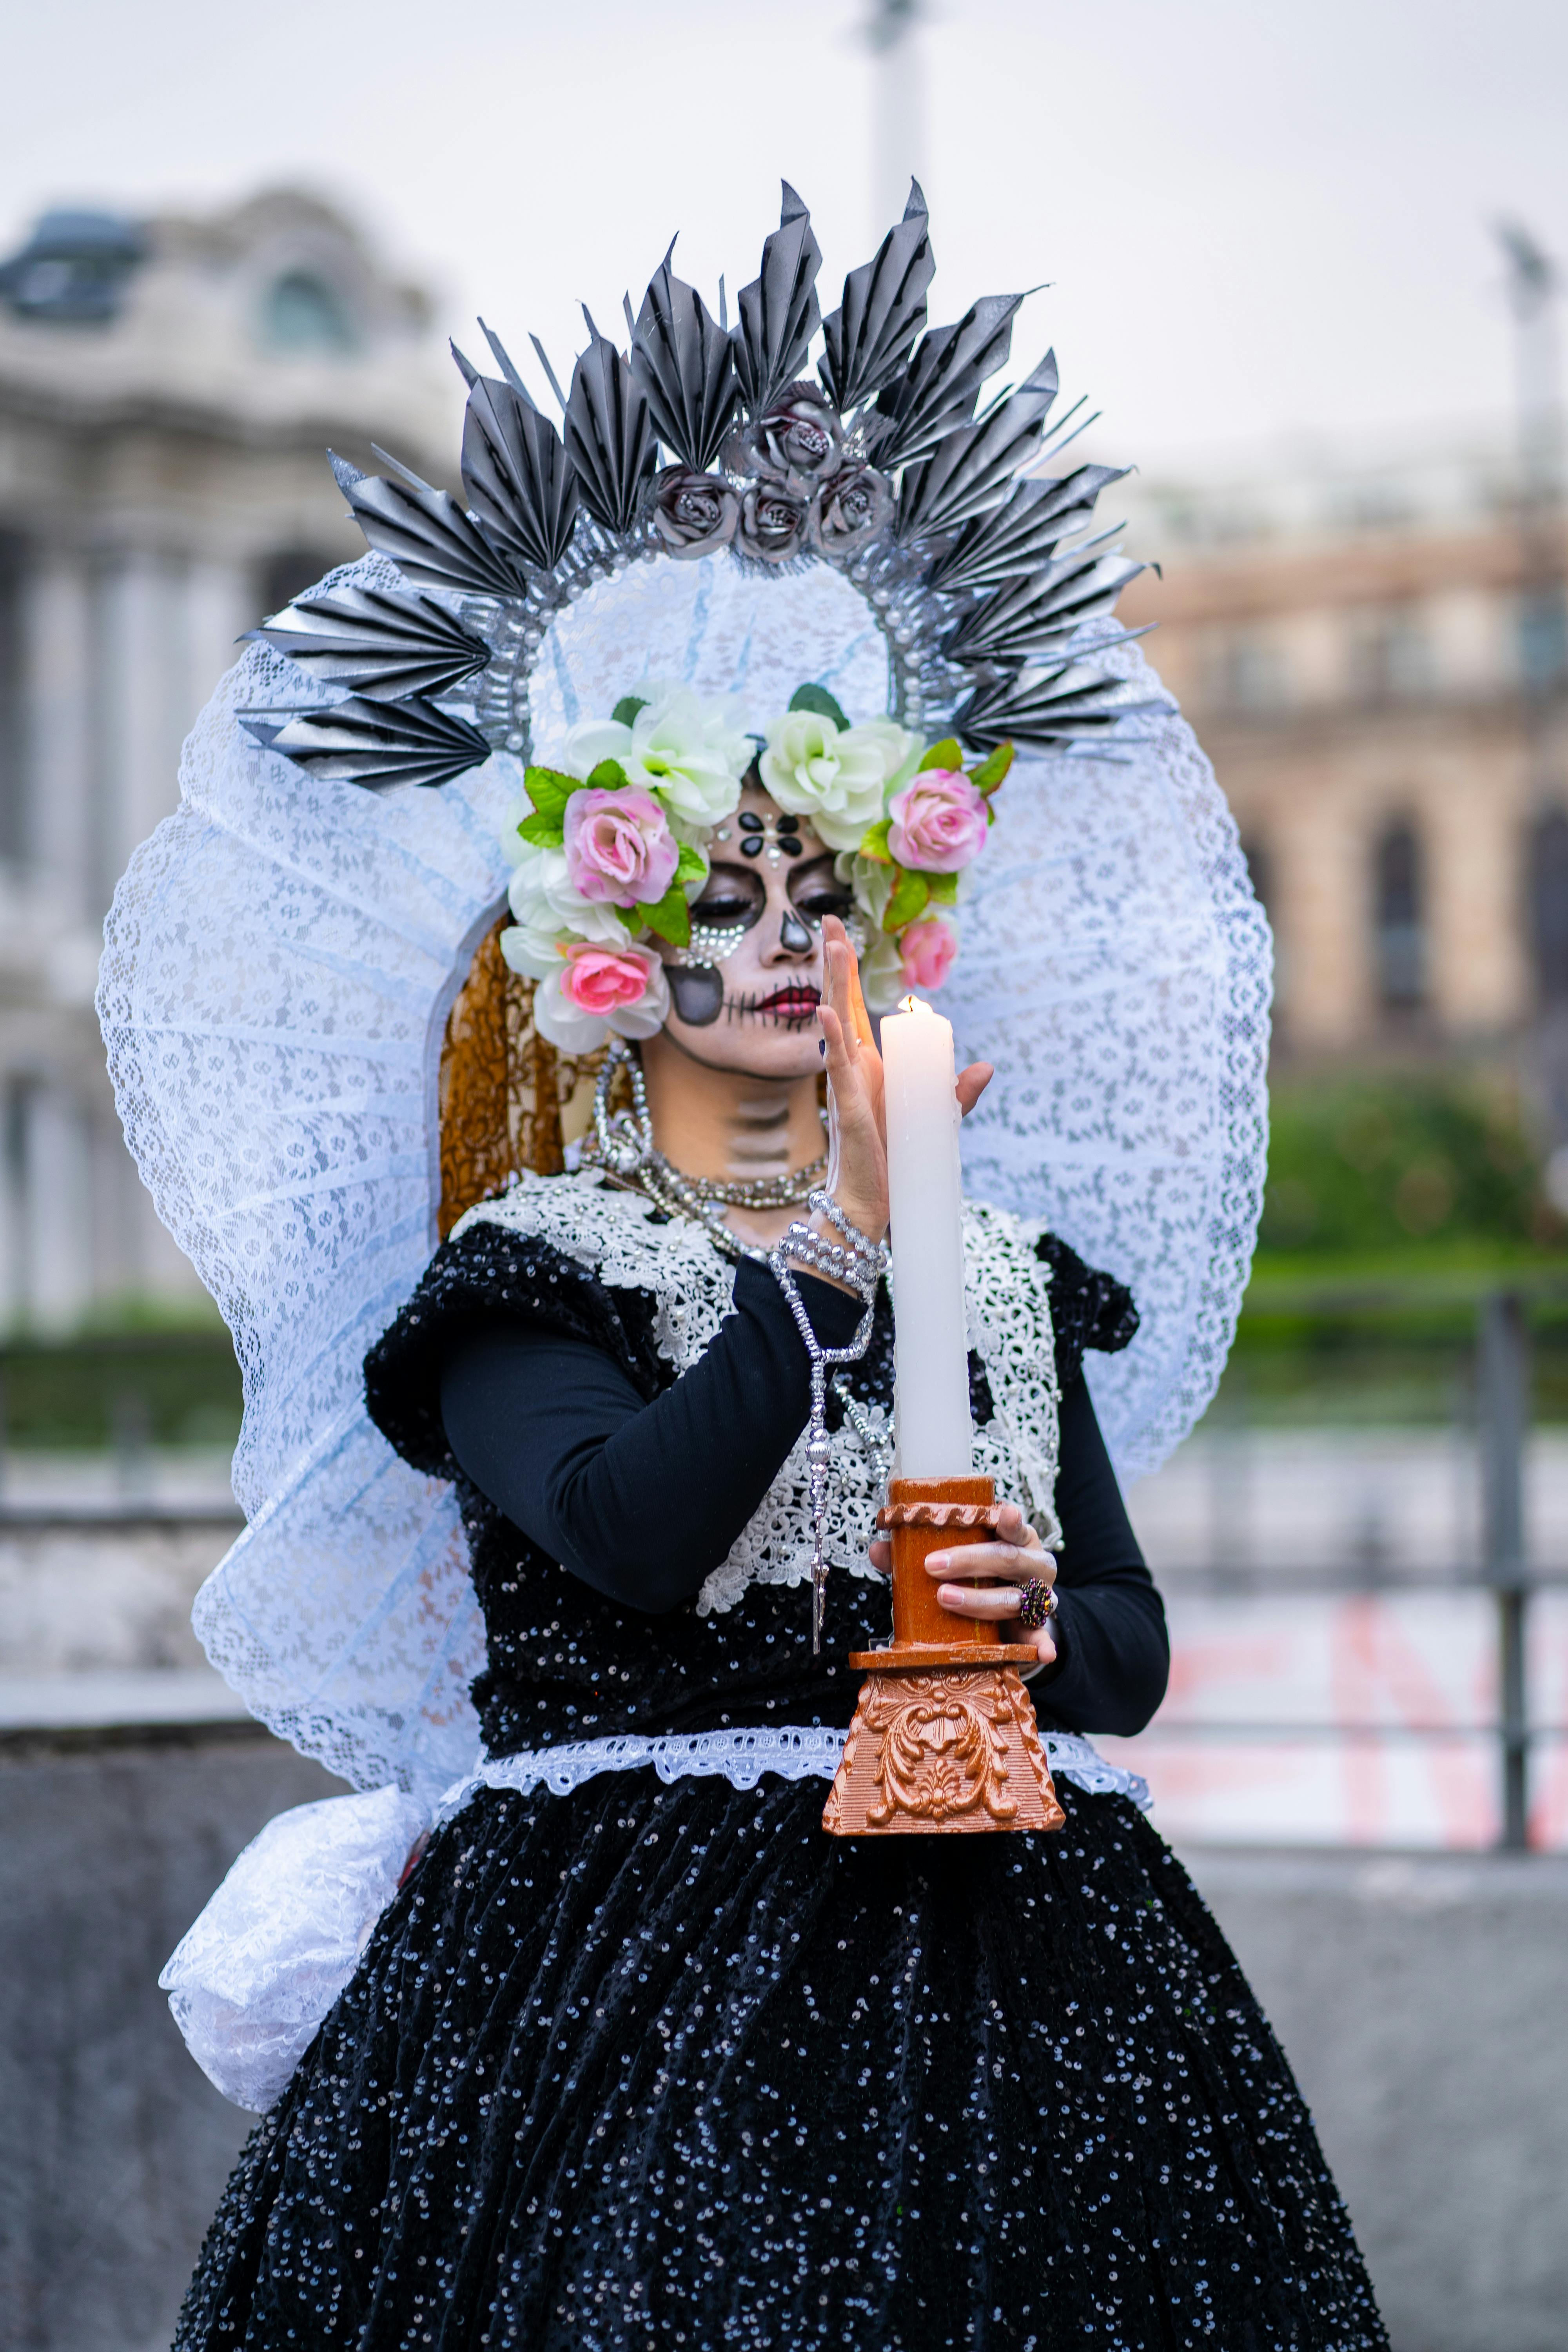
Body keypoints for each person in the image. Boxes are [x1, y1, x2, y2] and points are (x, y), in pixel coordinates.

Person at [106, 188, 1387, 2348]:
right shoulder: (532, 1273)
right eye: (738, 897)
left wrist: (1043, 1615)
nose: (798, 944)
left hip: (1018, 1968)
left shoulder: (995, 1266)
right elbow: (623, 1531)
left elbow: (1125, 1642)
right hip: (616, 1986)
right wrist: (831, 1275)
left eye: (831, 893)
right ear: (613, 958)